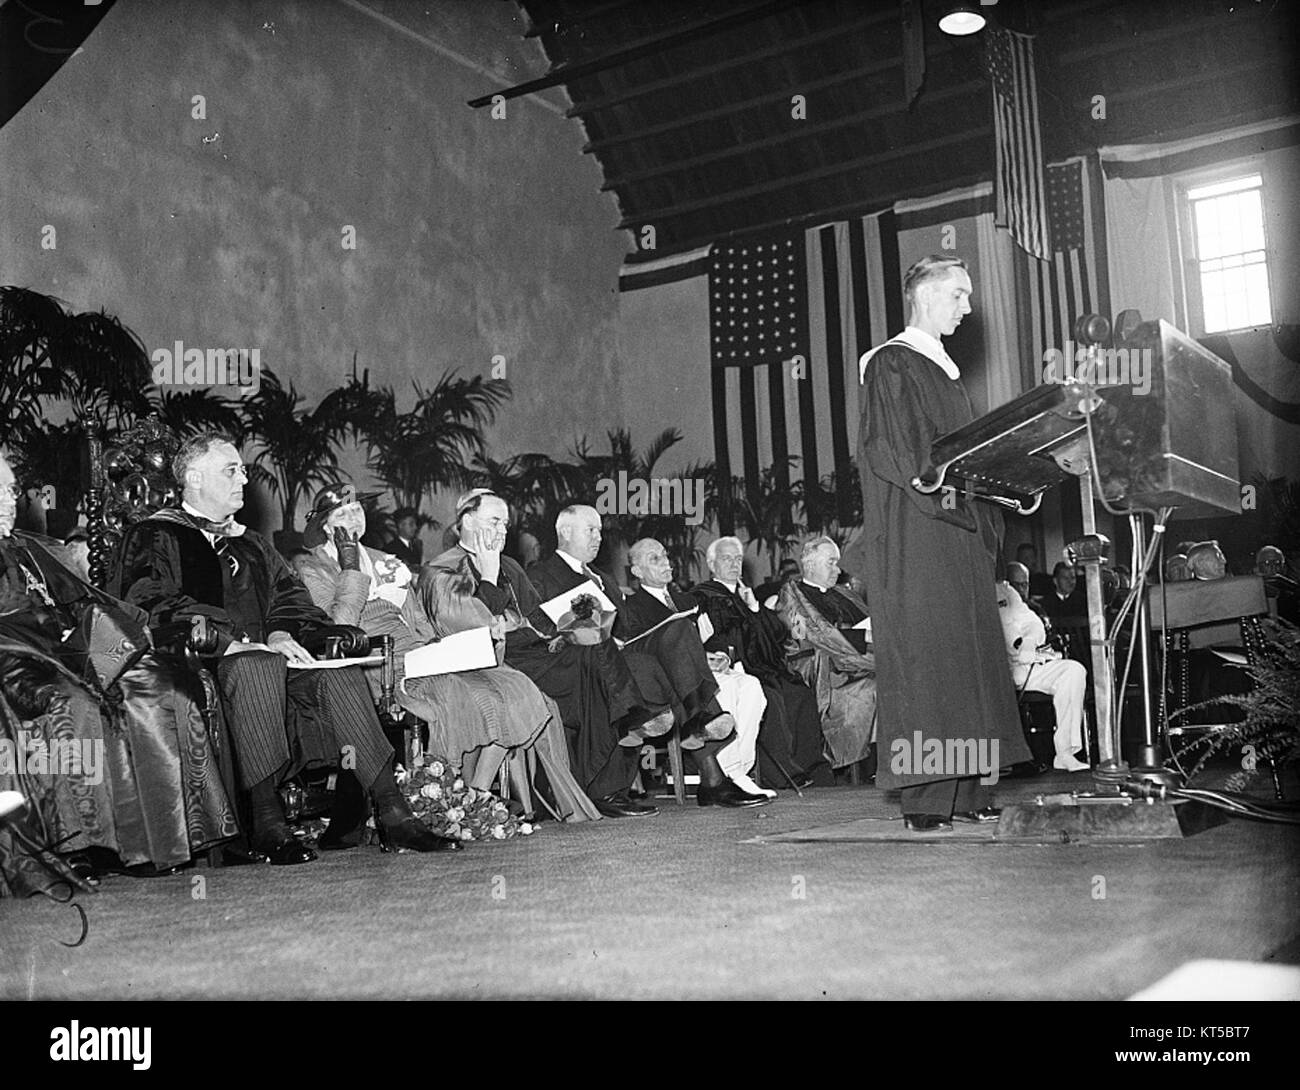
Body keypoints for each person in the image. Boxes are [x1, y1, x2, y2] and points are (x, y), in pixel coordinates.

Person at [114, 432, 460, 861]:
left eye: (242, 468)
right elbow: (148, 604)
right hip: (202, 664)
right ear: (194, 478)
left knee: (339, 673)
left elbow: (291, 598)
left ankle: (393, 813)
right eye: (232, 470)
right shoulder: (154, 536)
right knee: (256, 664)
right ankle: (267, 820)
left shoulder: (252, 542)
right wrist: (233, 643)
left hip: (276, 658)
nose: (244, 478)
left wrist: (280, 633)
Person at [0, 451, 239, 883]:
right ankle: (83, 843)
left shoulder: (32, 547)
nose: (8, 501)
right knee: (73, 703)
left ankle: (155, 842)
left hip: (72, 652)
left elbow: (90, 601)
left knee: (157, 684)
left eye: (11, 490)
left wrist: (132, 632)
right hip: (18, 659)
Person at [297, 485, 598, 823]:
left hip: (418, 653)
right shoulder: (313, 568)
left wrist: (438, 647)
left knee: (512, 688)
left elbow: (421, 619)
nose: (353, 518)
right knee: (458, 692)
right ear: (325, 525)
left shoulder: (385, 561)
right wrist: (351, 566)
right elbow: (340, 627)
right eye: (343, 514)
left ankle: (476, 794)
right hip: (373, 663)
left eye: (357, 510)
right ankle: (442, 791)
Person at [856, 255, 1029, 831]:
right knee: (929, 666)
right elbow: (900, 455)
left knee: (969, 663)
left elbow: (964, 458)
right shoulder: (893, 363)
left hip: (958, 534)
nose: (968, 307)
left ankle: (968, 794)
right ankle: (927, 802)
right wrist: (955, 501)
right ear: (924, 296)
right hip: (918, 533)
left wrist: (1003, 492)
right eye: (959, 294)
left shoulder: (947, 371)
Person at [424, 489, 668, 819]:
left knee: (593, 643)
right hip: (495, 662)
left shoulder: (509, 564)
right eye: (494, 521)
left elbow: (536, 616)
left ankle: (602, 778)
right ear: (467, 521)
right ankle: (626, 724)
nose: (502, 531)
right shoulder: (442, 570)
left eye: (506, 524)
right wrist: (487, 576)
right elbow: (473, 628)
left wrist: (570, 621)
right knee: (594, 668)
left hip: (535, 651)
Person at [620, 538, 770, 806]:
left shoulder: (688, 600)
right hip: (665, 682)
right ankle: (716, 767)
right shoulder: (630, 609)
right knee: (681, 633)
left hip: (701, 674)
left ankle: (738, 770)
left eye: (666, 555)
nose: (666, 562)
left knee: (750, 687)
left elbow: (712, 636)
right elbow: (639, 654)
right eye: (655, 559)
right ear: (637, 571)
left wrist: (720, 654)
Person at [691, 536, 826, 789]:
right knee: (770, 696)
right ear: (712, 564)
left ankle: (811, 767)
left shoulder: (747, 595)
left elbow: (777, 634)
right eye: (726, 558)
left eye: (738, 559)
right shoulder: (703, 597)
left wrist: (754, 609)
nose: (734, 564)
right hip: (733, 666)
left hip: (762, 665)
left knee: (800, 693)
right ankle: (782, 774)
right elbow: (712, 638)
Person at [775, 536, 876, 774]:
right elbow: (806, 636)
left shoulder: (846, 593)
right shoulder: (791, 594)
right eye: (831, 562)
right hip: (827, 670)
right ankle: (867, 764)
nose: (838, 569)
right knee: (873, 687)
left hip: (861, 660)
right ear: (810, 565)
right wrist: (862, 638)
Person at [996, 581, 1089, 772]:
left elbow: (1031, 620)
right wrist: (1016, 645)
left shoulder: (1005, 590)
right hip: (1000, 670)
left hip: (1028, 664)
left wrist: (1029, 641)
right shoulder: (970, 590)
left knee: (1073, 671)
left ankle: (1065, 753)